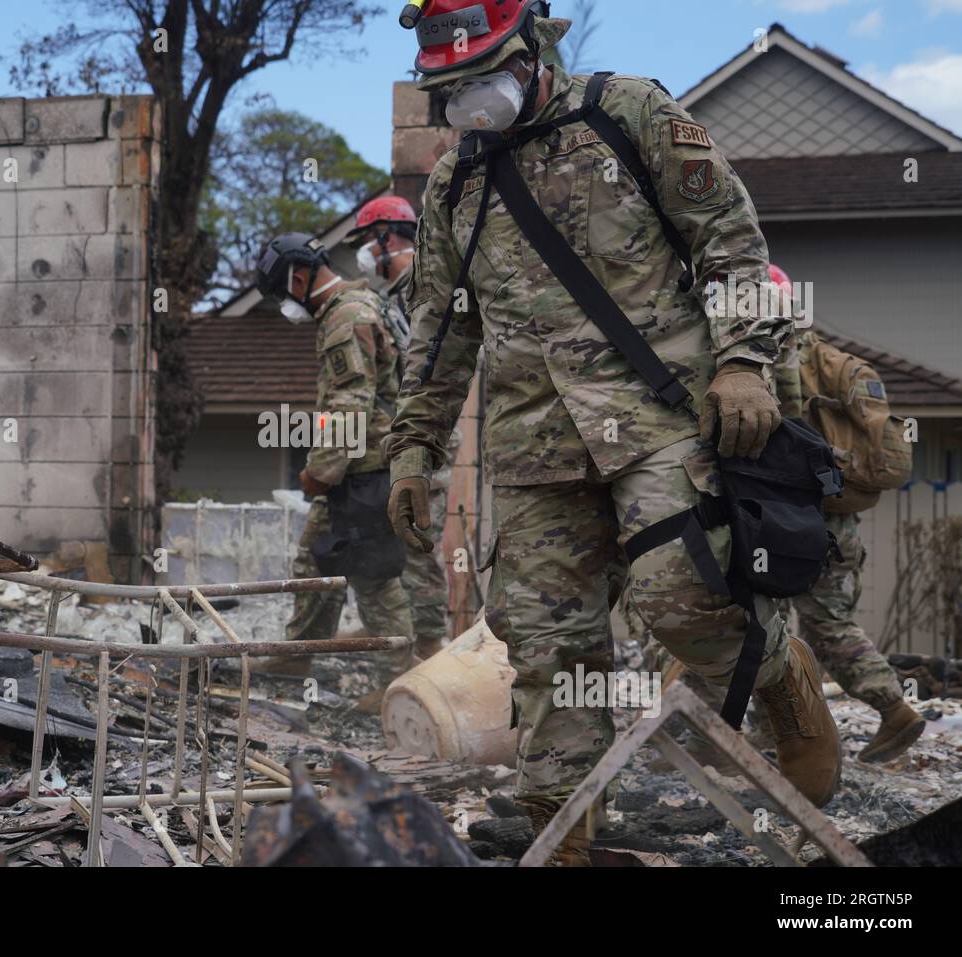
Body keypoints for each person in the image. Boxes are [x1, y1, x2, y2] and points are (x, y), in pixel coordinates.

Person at [385, 2, 841, 863]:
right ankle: (567, 838)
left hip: (658, 413)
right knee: (547, 648)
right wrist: (416, 448)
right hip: (533, 444)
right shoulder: (454, 188)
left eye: (479, 76)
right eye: (450, 87)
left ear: (531, 51)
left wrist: (744, 360)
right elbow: (441, 332)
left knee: (683, 594)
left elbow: (731, 243)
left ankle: (784, 672)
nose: (468, 99)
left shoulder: (630, 115)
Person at [770, 264, 927, 763]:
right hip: (838, 524)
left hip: (779, 519)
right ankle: (893, 707)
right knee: (830, 624)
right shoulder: (842, 365)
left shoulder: (769, 363)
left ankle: (764, 730)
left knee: (762, 626)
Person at [254, 233, 414, 654]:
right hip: (360, 471)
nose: (283, 303)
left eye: (281, 292)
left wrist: (320, 473)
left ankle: (403, 678)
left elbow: (350, 403)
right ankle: (298, 658)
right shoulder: (357, 307)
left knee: (374, 578)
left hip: (363, 474)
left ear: (300, 276)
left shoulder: (346, 317)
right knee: (316, 564)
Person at [349, 197, 457, 659]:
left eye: (366, 244)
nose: (364, 256)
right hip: (404, 439)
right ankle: (408, 645)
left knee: (416, 550)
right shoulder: (395, 295)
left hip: (425, 440)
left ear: (387, 238)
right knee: (398, 550)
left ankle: (430, 650)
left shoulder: (423, 284)